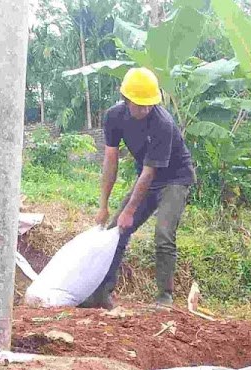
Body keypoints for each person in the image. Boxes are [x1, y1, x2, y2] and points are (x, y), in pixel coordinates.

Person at [79, 66, 194, 309]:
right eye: (139, 104)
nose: (145, 109)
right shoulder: (114, 117)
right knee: (116, 231)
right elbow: (110, 161)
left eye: (149, 104)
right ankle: (101, 293)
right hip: (147, 178)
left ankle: (164, 297)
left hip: (175, 179)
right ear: (126, 100)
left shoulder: (162, 123)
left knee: (163, 234)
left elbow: (149, 173)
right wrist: (104, 206)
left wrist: (129, 211)